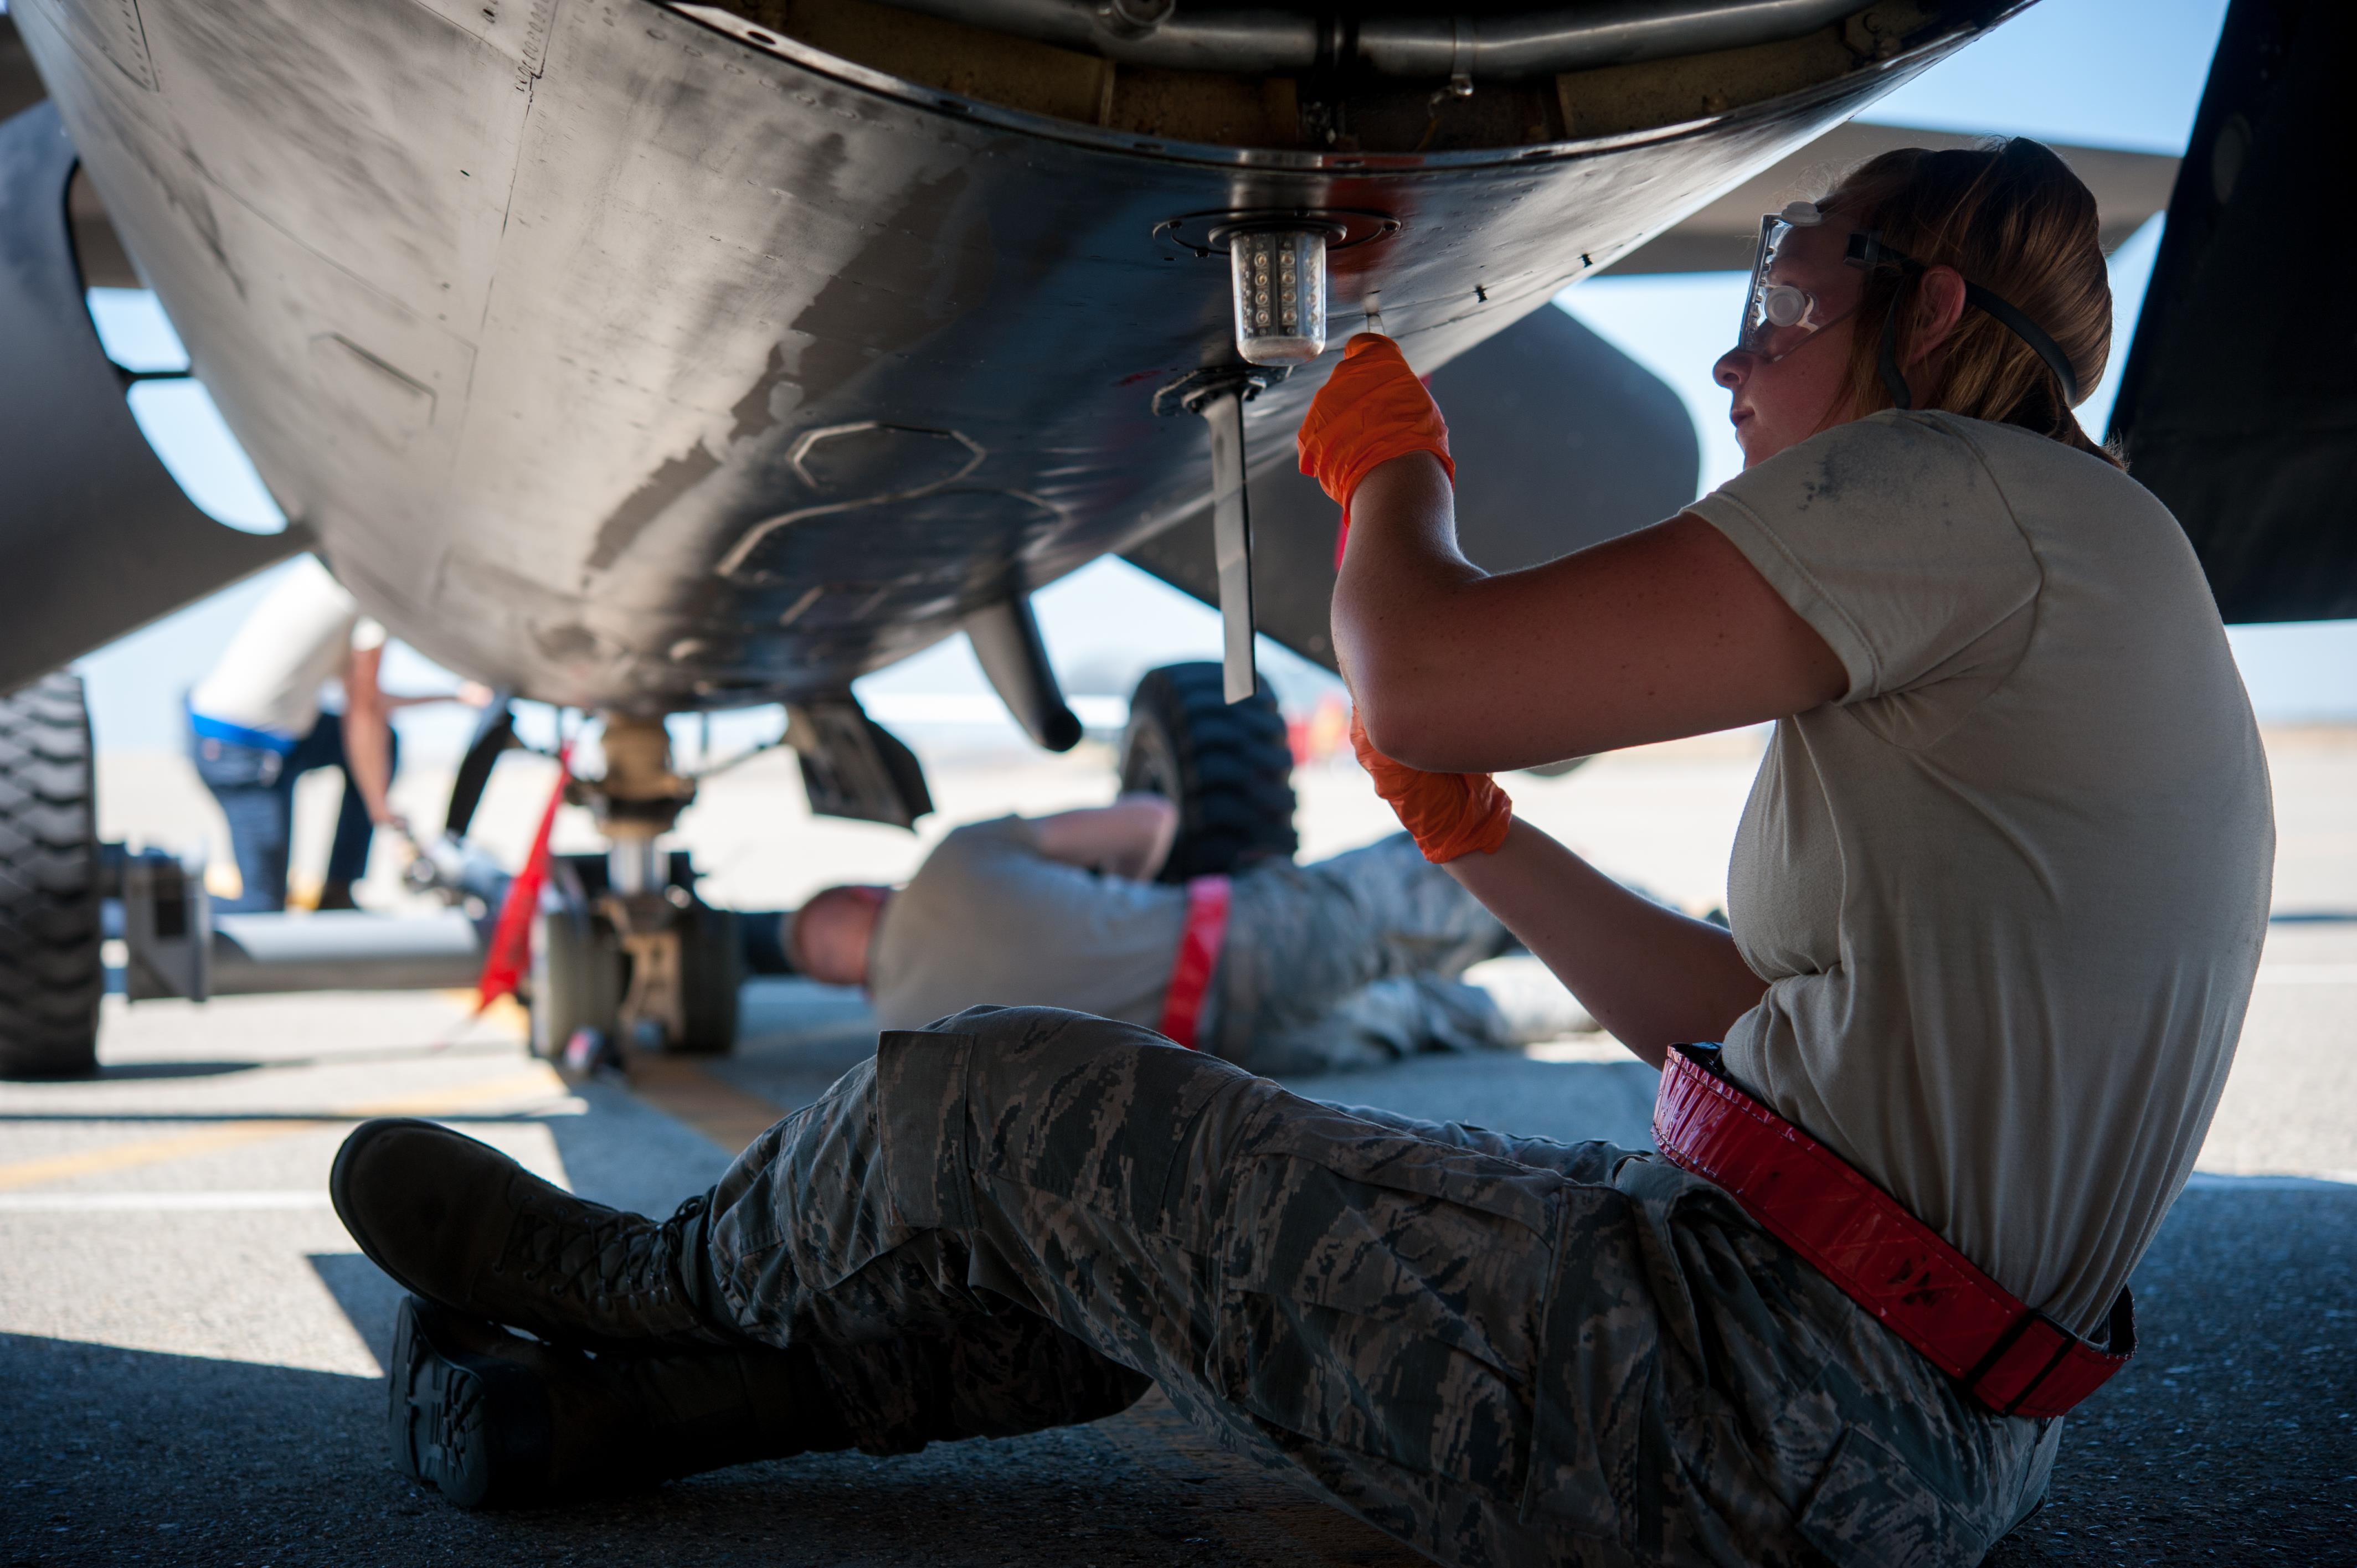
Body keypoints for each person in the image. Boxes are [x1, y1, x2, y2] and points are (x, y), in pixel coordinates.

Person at [330, 141, 2271, 1566]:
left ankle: (638, 1286)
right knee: (1157, 1230)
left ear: (1931, 319)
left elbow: (1413, 671)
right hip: (1911, 1441)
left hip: (1761, 1388)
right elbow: (1745, 1018)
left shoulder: (1954, 485)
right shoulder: (2079, 568)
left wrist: (1388, 462)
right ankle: (637, 1411)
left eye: (1779, 301)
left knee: (999, 1098)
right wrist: (1484, 842)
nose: (1731, 362)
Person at [783, 795, 1567, 1074]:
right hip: (1239, 940)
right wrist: (1118, 898)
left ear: (848, 984)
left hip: (1232, 1053)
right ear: (864, 891)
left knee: (1440, 1017)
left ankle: (1590, 1009)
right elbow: (1151, 819)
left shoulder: (904, 1042)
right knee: (1456, 873)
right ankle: (1672, 935)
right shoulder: (952, 860)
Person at [186, 556, 474, 912]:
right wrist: (379, 809)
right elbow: (363, 709)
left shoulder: (345, 568)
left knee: (385, 742)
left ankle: (338, 892)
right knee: (262, 907)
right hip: (239, 750)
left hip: (274, 739)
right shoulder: (376, 592)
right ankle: (155, 913)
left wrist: (455, 697)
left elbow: (366, 699)